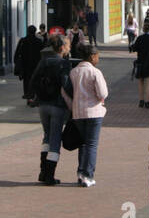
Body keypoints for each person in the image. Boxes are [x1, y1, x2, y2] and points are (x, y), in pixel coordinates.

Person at [29, 34, 73, 185]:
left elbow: (33, 79)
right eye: (68, 45)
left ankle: (42, 171)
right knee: (55, 140)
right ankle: (49, 175)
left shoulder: (44, 61)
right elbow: (66, 84)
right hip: (57, 105)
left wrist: (36, 96)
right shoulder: (64, 63)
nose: (69, 47)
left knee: (47, 136)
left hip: (43, 105)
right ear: (62, 48)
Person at [64, 42, 108, 187]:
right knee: (91, 144)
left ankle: (81, 173)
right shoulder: (95, 72)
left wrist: (72, 105)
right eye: (97, 56)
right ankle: (88, 175)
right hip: (94, 112)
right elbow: (102, 93)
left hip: (78, 113)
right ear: (92, 57)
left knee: (83, 143)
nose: (98, 59)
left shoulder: (73, 72)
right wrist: (100, 99)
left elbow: (65, 91)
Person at [131, 21, 149, 108]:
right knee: (148, 81)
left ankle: (141, 100)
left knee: (140, 81)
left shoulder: (139, 38)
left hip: (140, 61)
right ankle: (147, 101)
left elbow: (134, 48)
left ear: (143, 29)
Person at [13, 25, 44, 101]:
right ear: (35, 31)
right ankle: (33, 96)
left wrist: (16, 62)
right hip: (36, 65)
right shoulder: (39, 42)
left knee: (26, 81)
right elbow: (42, 54)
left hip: (25, 66)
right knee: (35, 81)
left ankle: (28, 96)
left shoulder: (23, 41)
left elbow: (17, 53)